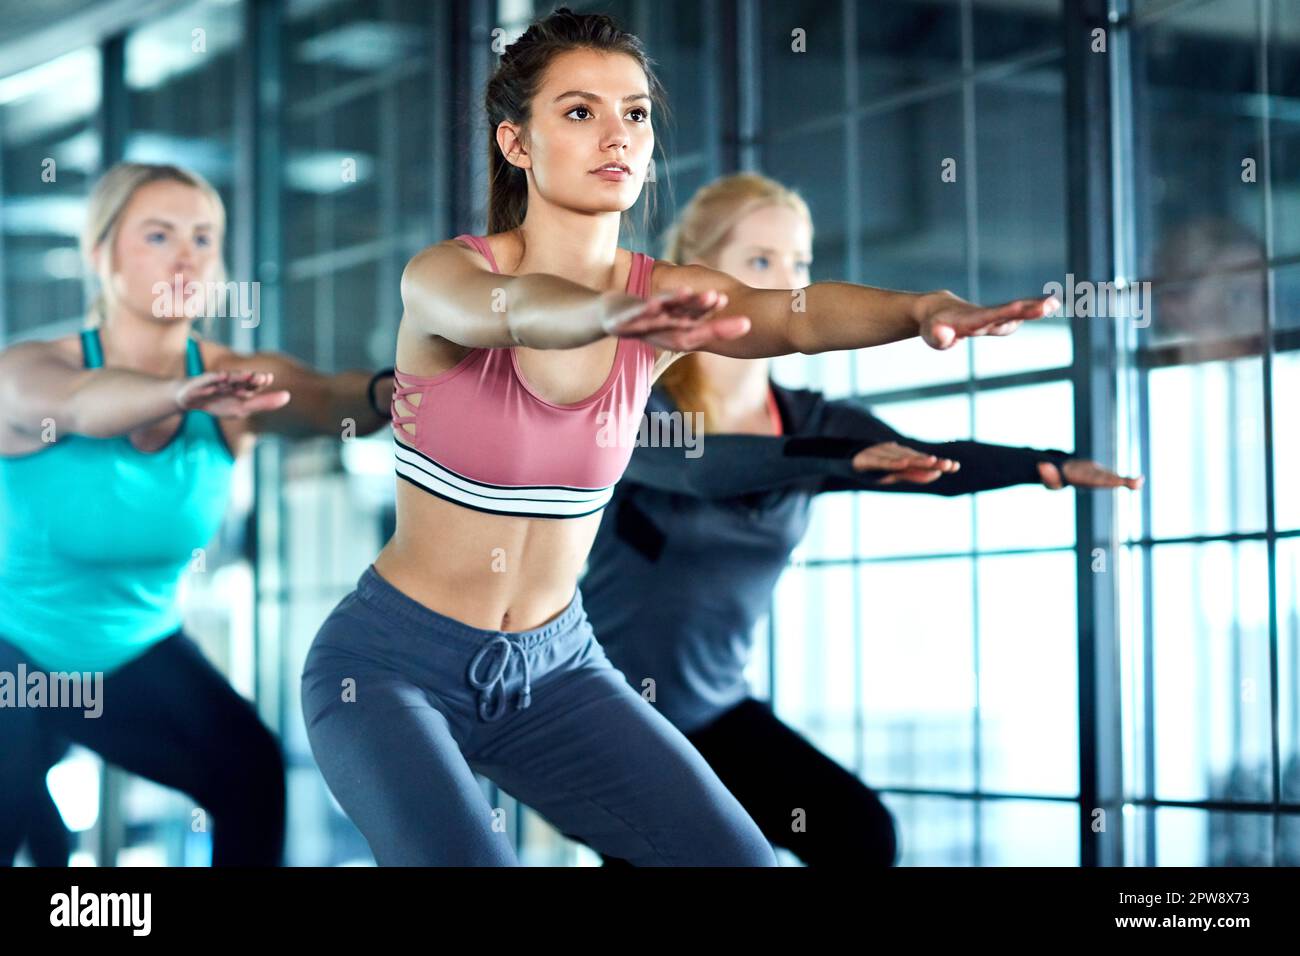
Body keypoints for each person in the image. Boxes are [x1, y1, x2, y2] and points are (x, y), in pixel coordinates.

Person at [299, 7, 1058, 867]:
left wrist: (919, 311)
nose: (615, 134)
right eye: (579, 112)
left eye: (635, 113)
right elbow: (508, 314)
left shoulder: (670, 297)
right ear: (516, 142)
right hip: (391, 666)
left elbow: (797, 319)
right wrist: (608, 312)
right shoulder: (451, 275)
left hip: (557, 670)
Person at [579, 172, 1144, 867]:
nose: (786, 285)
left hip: (713, 712)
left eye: (799, 265)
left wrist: (1045, 464)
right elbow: (702, 467)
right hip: (605, 714)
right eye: (761, 263)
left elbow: (926, 464)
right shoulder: (635, 398)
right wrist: (836, 459)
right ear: (699, 270)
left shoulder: (813, 419)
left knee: (860, 833)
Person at [0, 162, 396, 866]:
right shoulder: (29, 370)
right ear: (101, 254)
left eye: (204, 238)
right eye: (158, 235)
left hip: (132, 649)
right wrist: (177, 394)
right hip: (12, 650)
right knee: (25, 822)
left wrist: (396, 390)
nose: (187, 255)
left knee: (251, 773)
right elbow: (87, 405)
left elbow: (321, 397)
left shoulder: (233, 382)